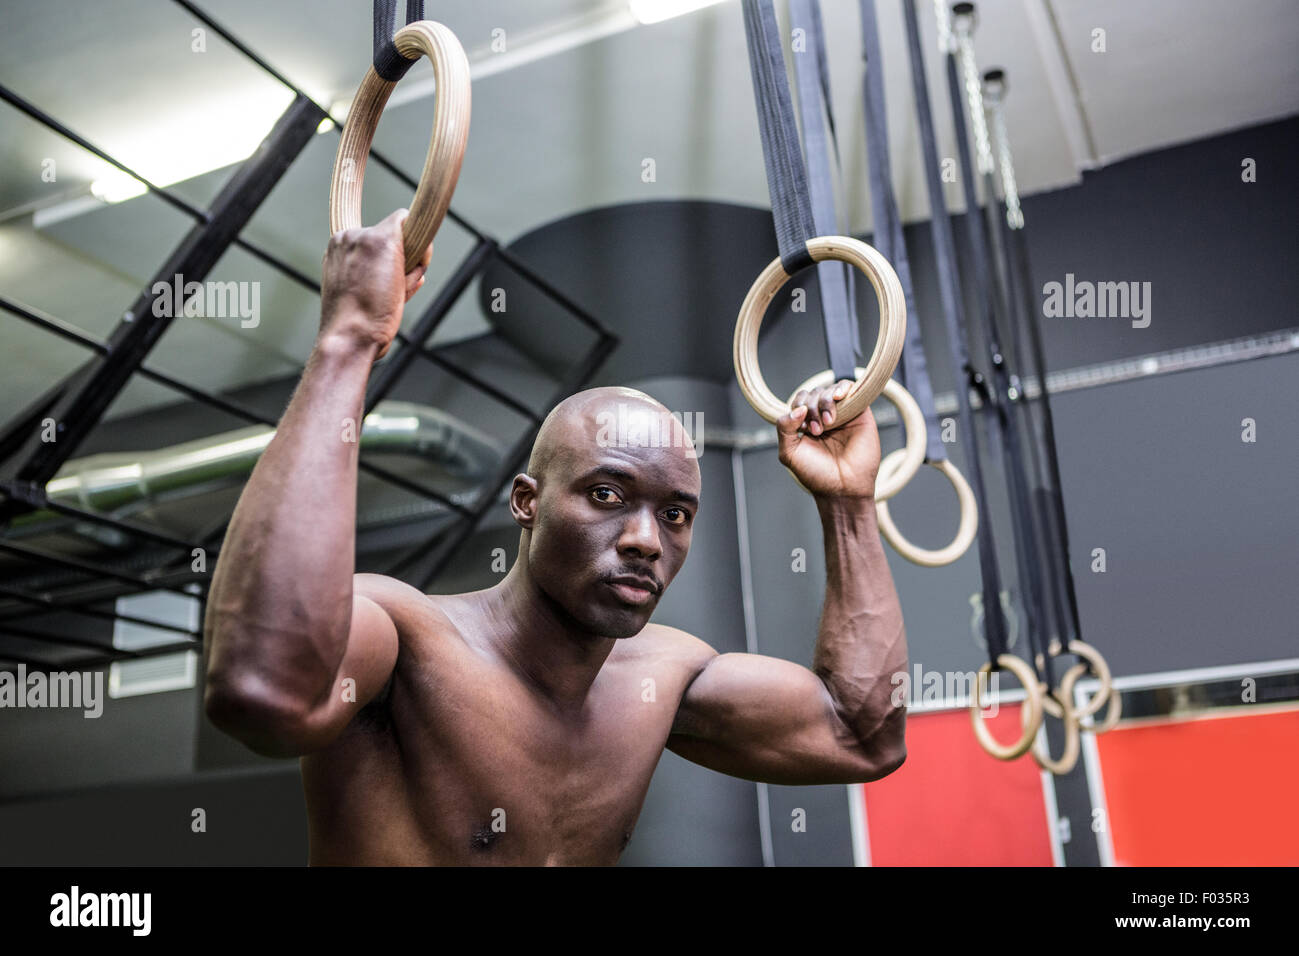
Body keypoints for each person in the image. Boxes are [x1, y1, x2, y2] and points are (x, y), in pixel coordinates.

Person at [203, 209, 909, 865]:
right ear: (526, 504)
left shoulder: (662, 680)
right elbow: (261, 691)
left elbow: (863, 736)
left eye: (675, 514)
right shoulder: (404, 643)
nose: (644, 538)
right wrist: (348, 337)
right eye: (607, 495)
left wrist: (847, 502)